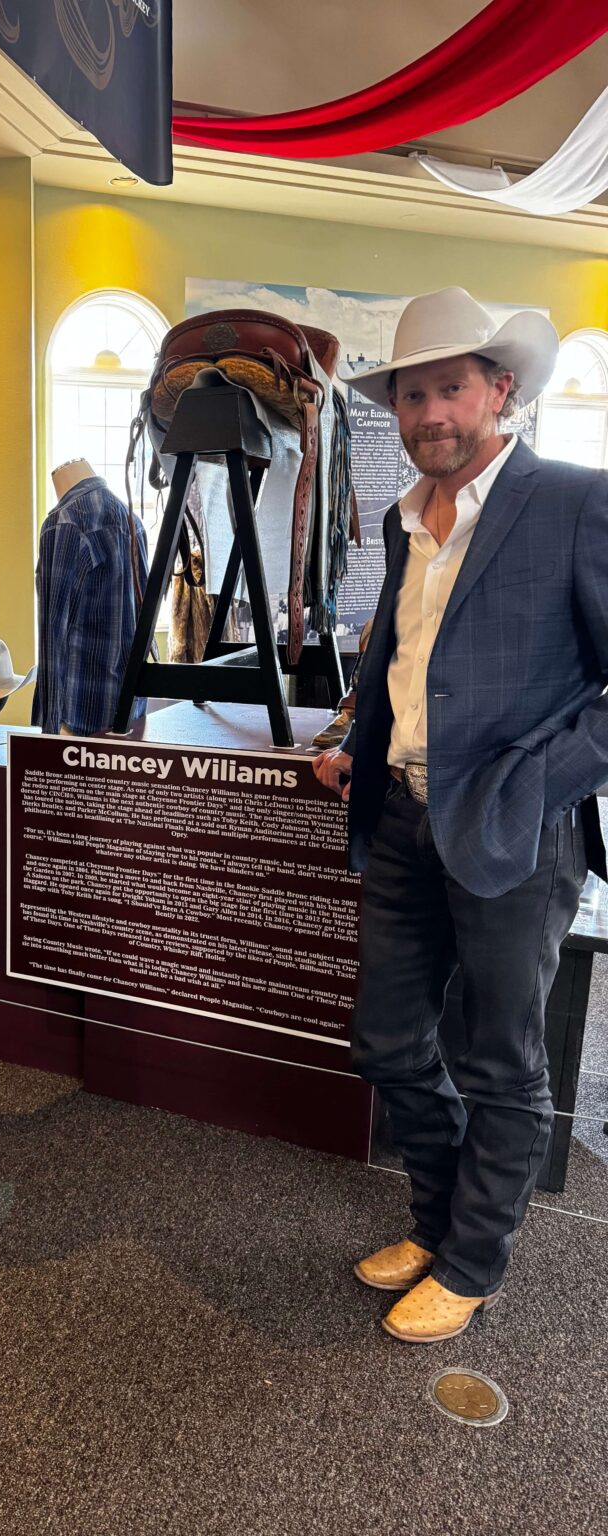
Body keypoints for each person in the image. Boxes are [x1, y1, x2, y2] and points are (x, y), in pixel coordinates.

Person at [313, 287, 608, 1342]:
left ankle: (475, 1259)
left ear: (501, 390)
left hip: (517, 833)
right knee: (390, 1040)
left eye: (449, 389)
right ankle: (438, 1224)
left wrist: (542, 779)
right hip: (402, 817)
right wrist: (355, 744)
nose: (429, 412)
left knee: (502, 1060)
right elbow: (405, 661)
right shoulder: (408, 521)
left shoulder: (575, 501)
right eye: (410, 395)